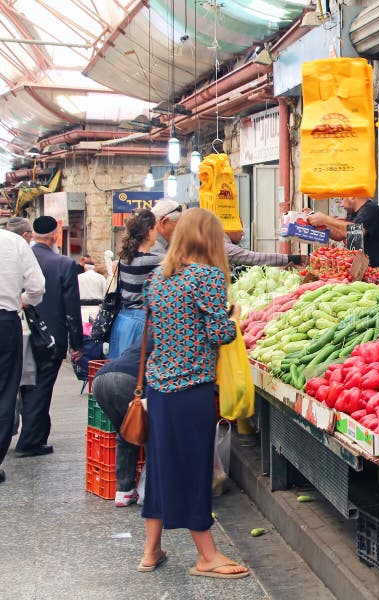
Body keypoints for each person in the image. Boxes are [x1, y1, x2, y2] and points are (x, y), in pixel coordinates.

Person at [139, 207, 249, 578]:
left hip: (159, 388)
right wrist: (234, 316)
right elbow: (219, 333)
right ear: (209, 239)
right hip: (191, 388)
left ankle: (151, 550)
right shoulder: (207, 276)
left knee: (161, 466)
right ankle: (207, 555)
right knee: (194, 468)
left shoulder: (158, 277)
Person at [17, 216, 83, 458]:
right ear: (55, 236)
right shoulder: (63, 264)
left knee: (25, 385)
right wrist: (77, 343)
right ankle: (30, 440)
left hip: (20, 331)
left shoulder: (21, 258)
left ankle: (36, 433)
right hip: (51, 336)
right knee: (42, 387)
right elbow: (71, 308)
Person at [0, 228, 45, 482]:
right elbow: (37, 287)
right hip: (5, 321)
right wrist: (24, 300)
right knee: (5, 391)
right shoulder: (14, 241)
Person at [92, 335, 153, 507]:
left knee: (126, 433)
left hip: (101, 379)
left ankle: (124, 491)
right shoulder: (170, 332)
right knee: (152, 435)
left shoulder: (147, 333)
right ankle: (149, 492)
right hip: (129, 381)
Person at [109, 210, 160, 359]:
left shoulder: (123, 259)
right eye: (155, 228)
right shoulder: (154, 261)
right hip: (142, 322)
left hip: (122, 320)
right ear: (149, 232)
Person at [306, 197, 379, 270]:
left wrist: (325, 219)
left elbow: (355, 232)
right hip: (367, 271)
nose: (341, 204)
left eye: (342, 199)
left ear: (352, 196)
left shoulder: (370, 210)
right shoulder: (353, 213)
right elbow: (340, 235)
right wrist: (316, 224)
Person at [224, 225, 302, 267]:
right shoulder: (224, 247)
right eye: (240, 228)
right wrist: (298, 259)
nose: (243, 233)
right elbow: (255, 258)